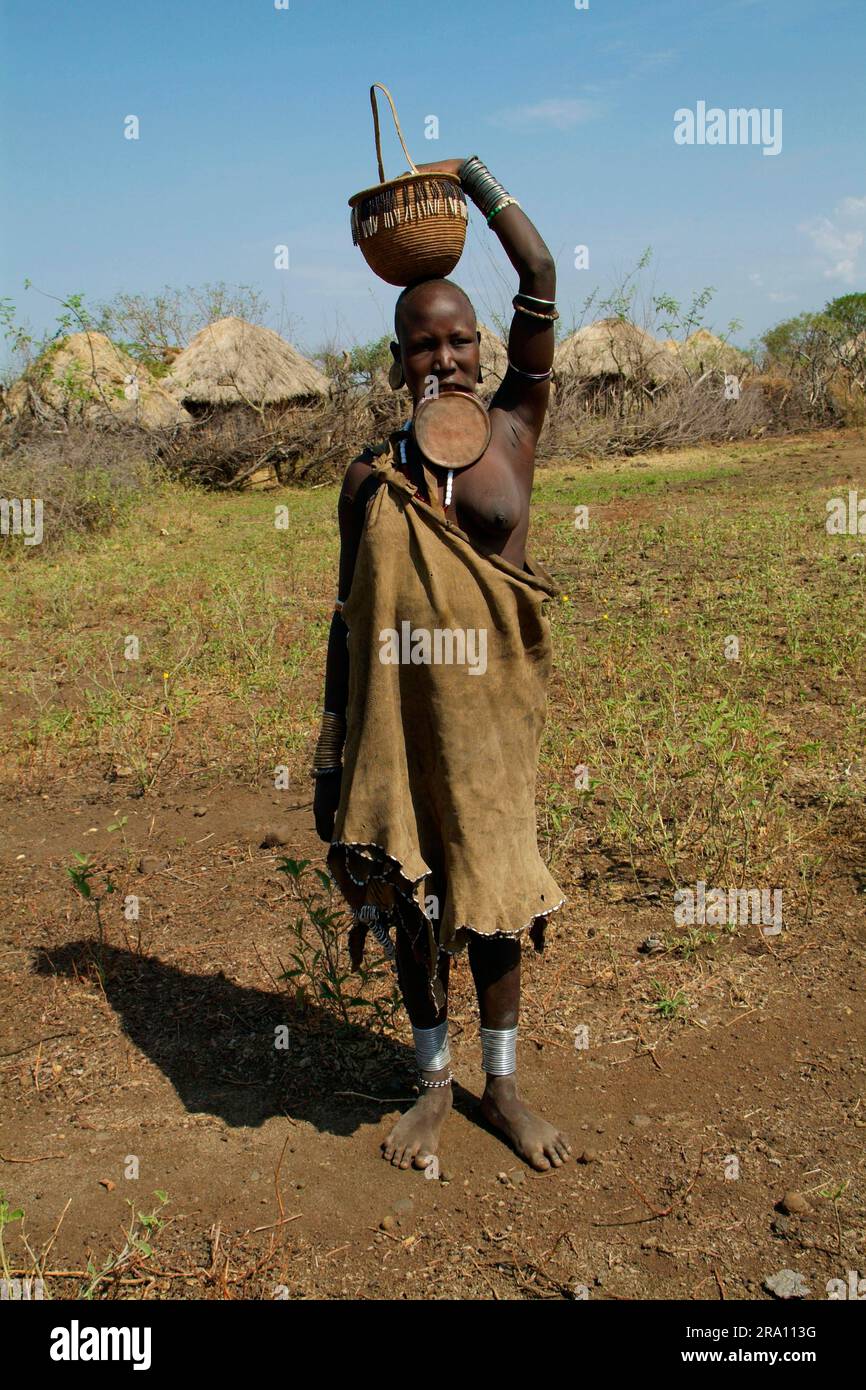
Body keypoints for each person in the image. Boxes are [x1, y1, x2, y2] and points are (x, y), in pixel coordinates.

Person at [312, 155, 571, 1174]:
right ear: (395, 362)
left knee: (498, 893)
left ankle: (499, 1085)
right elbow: (344, 619)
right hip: (397, 721)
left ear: (483, 346)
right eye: (423, 343)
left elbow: (541, 272)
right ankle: (431, 1081)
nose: (445, 358)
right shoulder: (368, 479)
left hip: (494, 724)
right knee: (409, 894)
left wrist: (476, 182)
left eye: (460, 338)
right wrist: (332, 754)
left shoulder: (514, 430)